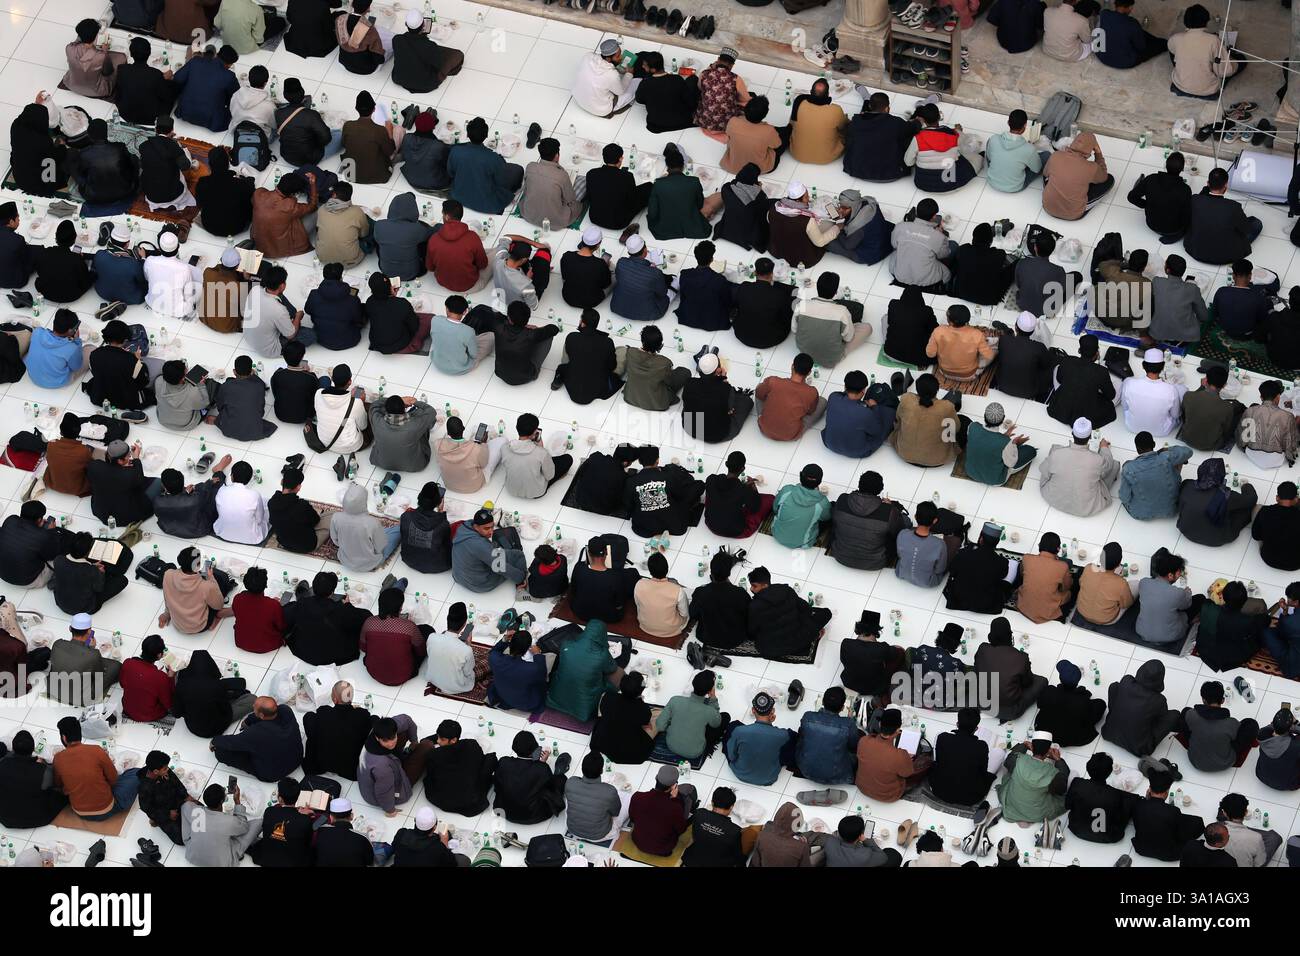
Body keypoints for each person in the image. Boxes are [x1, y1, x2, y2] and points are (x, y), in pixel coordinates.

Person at [52, 717, 142, 821]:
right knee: (137, 773)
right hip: (106, 809)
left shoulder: (58, 758)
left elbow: (58, 785)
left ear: (64, 737)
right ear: (80, 733)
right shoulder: (96, 751)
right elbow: (113, 779)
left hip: (79, 811)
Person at [1039, 417, 1121, 516]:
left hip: (1053, 498)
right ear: (1090, 436)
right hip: (1085, 508)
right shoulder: (1097, 460)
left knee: (1054, 449)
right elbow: (1108, 467)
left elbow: (1043, 469)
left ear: (1072, 433)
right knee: (1114, 465)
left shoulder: (1057, 453)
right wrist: (1104, 448)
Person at [747, 565, 829, 660]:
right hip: (799, 638)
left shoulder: (754, 606)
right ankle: (813, 635)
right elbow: (806, 608)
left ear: (765, 585)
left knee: (762, 644)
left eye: (754, 586)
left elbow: (752, 632)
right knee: (825, 613)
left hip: (773, 649)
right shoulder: (786, 590)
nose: (751, 589)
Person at [1102, 658, 1180, 757]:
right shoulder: (1159, 700)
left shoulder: (1127, 680)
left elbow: (1115, 688)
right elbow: (1162, 718)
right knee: (1174, 715)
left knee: (1114, 686)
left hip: (1109, 732)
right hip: (1139, 748)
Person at [212, 697, 303, 783]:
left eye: (254, 707)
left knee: (220, 752)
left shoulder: (257, 732)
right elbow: (261, 716)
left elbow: (233, 742)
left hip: (273, 774)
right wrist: (248, 720)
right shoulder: (286, 710)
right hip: (296, 758)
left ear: (261, 715)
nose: (252, 706)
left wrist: (215, 740)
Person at [446, 116, 524, 214]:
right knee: (517, 170)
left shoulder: (456, 150)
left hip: (458, 197)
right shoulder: (494, 158)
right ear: (486, 135)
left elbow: (451, 173)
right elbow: (501, 182)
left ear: (468, 134)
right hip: (487, 204)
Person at [1178, 679, 1259, 772]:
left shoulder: (1191, 714)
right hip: (1225, 762)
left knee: (1185, 711)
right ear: (1223, 700)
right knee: (1251, 724)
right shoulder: (1231, 723)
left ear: (1203, 700)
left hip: (1195, 761)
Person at [172, 648, 255, 738]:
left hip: (194, 727)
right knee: (252, 699)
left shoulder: (181, 685)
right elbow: (225, 708)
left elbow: (177, 713)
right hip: (218, 727)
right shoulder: (216, 685)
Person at [1185, 168, 1261, 265]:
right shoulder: (1233, 206)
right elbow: (1246, 229)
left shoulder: (1195, 199)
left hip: (1196, 250)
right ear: (1226, 185)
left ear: (1208, 183)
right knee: (1256, 223)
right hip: (1224, 256)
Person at [794, 272, 871, 367]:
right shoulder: (842, 311)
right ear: (835, 292)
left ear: (817, 288)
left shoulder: (801, 305)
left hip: (804, 352)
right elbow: (848, 338)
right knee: (867, 328)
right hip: (831, 358)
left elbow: (794, 330)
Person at [1176, 458, 1256, 547]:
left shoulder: (1187, 485)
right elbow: (1251, 499)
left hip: (1187, 531)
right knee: (1247, 510)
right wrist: (1246, 486)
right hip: (1217, 539)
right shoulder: (1226, 495)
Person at [494, 730, 570, 824]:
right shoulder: (542, 768)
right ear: (534, 748)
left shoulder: (503, 762)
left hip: (504, 811)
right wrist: (541, 764)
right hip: (534, 815)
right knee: (560, 780)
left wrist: (539, 765)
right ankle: (559, 772)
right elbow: (551, 788)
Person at [423, 719, 496, 817]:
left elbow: (430, 774)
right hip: (471, 802)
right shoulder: (471, 745)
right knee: (490, 759)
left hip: (442, 800)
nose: (438, 741)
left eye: (442, 739)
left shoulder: (434, 754)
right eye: (438, 737)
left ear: (453, 740)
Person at [905, 102, 982, 193]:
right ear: (939, 117)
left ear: (923, 121)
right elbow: (969, 146)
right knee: (978, 159)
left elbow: (908, 162)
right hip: (951, 183)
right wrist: (958, 131)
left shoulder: (918, 138)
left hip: (924, 184)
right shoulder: (953, 134)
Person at [1130, 767, 1203, 861]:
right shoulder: (1173, 811)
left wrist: (1146, 800)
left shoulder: (1138, 804)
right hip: (1168, 853)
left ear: (1150, 789)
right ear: (1166, 793)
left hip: (1141, 848)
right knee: (1198, 822)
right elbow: (1178, 831)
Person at [301, 682, 371, 780]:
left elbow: (309, 720)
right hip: (349, 767)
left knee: (309, 717)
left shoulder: (324, 713)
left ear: (334, 699)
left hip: (320, 762)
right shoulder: (362, 716)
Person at [1169, 4, 1241, 98]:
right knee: (1240, 59)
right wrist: (1233, 62)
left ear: (1185, 21)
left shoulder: (1175, 38)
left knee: (1173, 48)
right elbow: (1224, 72)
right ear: (1206, 21)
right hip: (1208, 91)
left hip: (1180, 86)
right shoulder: (1214, 40)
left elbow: (1172, 50)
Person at [47, 615, 121, 707]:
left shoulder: (57, 644)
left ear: (70, 628)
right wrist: (92, 649)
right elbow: (99, 675)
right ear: (89, 631)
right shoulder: (93, 654)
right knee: (116, 666)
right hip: (82, 699)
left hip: (53, 689)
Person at [0, 731, 68, 829]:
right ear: (33, 750)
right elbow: (53, 784)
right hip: (35, 818)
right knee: (61, 794)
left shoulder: (3, 764)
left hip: (4, 816)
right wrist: (41, 764)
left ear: (13, 749)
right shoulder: (43, 771)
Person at [997, 732, 1070, 824]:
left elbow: (1009, 760)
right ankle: (1027, 820)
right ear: (1048, 751)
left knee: (1009, 772)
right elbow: (1061, 789)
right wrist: (1058, 760)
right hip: (1036, 813)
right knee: (1070, 780)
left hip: (1012, 804)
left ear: (1032, 747)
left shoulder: (1018, 759)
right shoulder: (1053, 773)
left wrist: (1024, 745)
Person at [1118, 433, 1193, 523]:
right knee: (1179, 459)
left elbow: (1124, 497)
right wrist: (1165, 449)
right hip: (1172, 510)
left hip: (1141, 514)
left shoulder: (1128, 468)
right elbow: (1188, 451)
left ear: (1137, 449)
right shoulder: (1166, 457)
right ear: (1154, 444)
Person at [855, 708, 925, 802]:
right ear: (897, 730)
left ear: (880, 724)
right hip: (888, 796)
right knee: (925, 762)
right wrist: (905, 759)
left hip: (862, 787)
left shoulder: (864, 741)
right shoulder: (899, 755)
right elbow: (907, 773)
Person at [724, 692, 794, 786]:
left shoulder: (739, 731)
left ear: (753, 710)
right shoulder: (783, 735)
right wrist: (770, 725)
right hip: (768, 778)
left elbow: (732, 756)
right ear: (772, 711)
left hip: (740, 773)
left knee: (733, 725)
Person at [927, 707, 993, 806]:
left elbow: (938, 761)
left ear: (957, 724)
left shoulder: (942, 737)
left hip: (939, 790)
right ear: (976, 729)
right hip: (970, 798)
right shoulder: (982, 746)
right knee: (999, 753)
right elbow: (983, 771)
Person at [360, 590, 427, 686]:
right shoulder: (409, 626)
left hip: (374, 672)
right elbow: (421, 651)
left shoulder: (369, 622)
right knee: (426, 630)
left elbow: (363, 647)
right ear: (399, 608)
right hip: (403, 675)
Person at [795, 687, 860, 785]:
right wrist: (850, 721)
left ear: (822, 702)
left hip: (806, 770)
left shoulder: (808, 717)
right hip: (837, 776)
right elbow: (853, 746)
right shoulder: (848, 724)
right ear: (842, 708)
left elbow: (802, 735)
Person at [822, 372, 896, 459]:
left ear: (845, 386)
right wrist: (875, 407)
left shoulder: (833, 397)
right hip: (857, 452)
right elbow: (877, 431)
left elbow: (842, 396)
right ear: (863, 391)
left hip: (828, 443)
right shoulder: (866, 413)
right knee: (890, 414)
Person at [944, 522, 1014, 614]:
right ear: (997, 542)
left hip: (959, 598)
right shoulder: (1002, 562)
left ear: (981, 539)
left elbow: (952, 570)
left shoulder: (964, 553)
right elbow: (1003, 575)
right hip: (985, 603)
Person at [891, 373, 959, 468]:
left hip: (904, 454)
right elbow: (955, 429)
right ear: (937, 390)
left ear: (917, 390)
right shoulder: (946, 407)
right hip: (937, 459)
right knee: (963, 422)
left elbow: (898, 418)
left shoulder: (906, 399)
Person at [655, 670, 726, 761]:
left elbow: (660, 726)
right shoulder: (710, 711)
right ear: (709, 690)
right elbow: (716, 723)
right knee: (725, 717)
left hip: (671, 745)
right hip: (694, 752)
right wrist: (713, 698)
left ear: (693, 684)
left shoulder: (675, 700)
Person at [843, 91, 913, 182]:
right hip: (892, 173)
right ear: (887, 108)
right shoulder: (896, 122)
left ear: (870, 107)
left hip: (857, 170)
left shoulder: (857, 121)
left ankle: (866, 99)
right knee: (908, 136)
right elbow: (913, 129)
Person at [451, 508, 526, 593]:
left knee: (494, 550)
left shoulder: (463, 528)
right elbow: (500, 567)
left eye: (492, 526)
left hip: (458, 577)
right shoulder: (480, 546)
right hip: (479, 585)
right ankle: (522, 583)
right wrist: (520, 578)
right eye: (486, 529)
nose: (491, 532)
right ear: (476, 527)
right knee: (518, 555)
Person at [1065, 752, 1134, 843]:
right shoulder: (1115, 794)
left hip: (1076, 829)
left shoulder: (1077, 784)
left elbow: (1067, 805)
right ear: (1109, 773)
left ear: (1088, 768)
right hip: (1108, 836)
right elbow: (1119, 817)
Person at [629, 764, 697, 856]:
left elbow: (632, 818)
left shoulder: (637, 796)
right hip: (663, 848)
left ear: (656, 778)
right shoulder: (675, 807)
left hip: (638, 841)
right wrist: (676, 799)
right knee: (688, 789)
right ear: (674, 786)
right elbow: (681, 830)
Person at [159, 547, 230, 634]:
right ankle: (214, 620)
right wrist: (211, 578)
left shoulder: (168, 574)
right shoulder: (205, 586)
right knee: (221, 580)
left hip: (178, 623)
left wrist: (167, 614)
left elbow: (167, 598)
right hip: (199, 626)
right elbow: (218, 605)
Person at [1043, 131, 1112, 220]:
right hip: (1073, 213)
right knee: (1109, 180)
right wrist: (1098, 153)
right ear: (1090, 149)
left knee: (1051, 172)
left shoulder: (1056, 155)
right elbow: (1104, 177)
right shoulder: (1091, 167)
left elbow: (1045, 174)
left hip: (1048, 207)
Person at [1036, 659, 1107, 747]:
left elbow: (1039, 704)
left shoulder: (1049, 691)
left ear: (1060, 678)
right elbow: (1089, 718)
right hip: (1073, 737)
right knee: (1101, 703)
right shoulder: (1083, 701)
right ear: (1078, 680)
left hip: (1046, 733)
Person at [501, 412, 571, 499]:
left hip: (511, 489)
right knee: (567, 459)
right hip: (536, 492)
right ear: (534, 433)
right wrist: (541, 449)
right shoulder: (541, 453)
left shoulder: (504, 448)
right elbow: (550, 476)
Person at [756, 353, 825, 442]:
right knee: (823, 402)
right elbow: (810, 411)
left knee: (760, 388)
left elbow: (759, 394)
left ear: (792, 366)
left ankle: (763, 417)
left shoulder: (773, 381)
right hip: (790, 435)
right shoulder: (812, 392)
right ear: (809, 373)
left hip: (764, 429)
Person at [195, 155, 254, 258]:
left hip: (209, 224)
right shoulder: (239, 184)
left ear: (210, 165)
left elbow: (200, 204)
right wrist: (250, 180)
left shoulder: (203, 182)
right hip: (237, 226)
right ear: (228, 164)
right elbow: (250, 190)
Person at [252, 170, 320, 260]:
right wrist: (313, 184)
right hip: (280, 247)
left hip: (259, 242)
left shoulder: (258, 194)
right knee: (317, 212)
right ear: (293, 194)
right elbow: (312, 206)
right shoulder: (290, 206)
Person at [966, 402, 1037, 488]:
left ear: (984, 415)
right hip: (995, 480)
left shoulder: (972, 426)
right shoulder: (1006, 442)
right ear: (1002, 419)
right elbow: (1011, 463)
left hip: (970, 472)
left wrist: (1004, 438)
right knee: (1031, 451)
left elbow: (983, 441)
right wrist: (1015, 445)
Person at [564, 751, 629, 846]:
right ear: (602, 771)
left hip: (573, 830)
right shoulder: (610, 791)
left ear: (582, 769)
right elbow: (615, 813)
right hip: (600, 836)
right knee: (628, 798)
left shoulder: (570, 782)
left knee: (570, 799)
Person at [592, 672, 656, 765]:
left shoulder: (607, 697)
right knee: (656, 718)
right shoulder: (643, 709)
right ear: (640, 692)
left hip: (604, 743)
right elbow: (645, 722)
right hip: (628, 751)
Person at [70, 118, 139, 204]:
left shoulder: (83, 154)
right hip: (126, 191)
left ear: (89, 135)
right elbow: (135, 164)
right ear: (107, 133)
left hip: (95, 196)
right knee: (131, 161)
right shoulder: (120, 147)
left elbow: (79, 174)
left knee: (73, 165)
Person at [519, 137, 583, 230]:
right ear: (557, 155)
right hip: (554, 220)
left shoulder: (530, 167)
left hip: (529, 214)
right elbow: (570, 199)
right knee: (577, 203)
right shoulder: (562, 175)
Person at [890, 198, 954, 290]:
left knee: (897, 252)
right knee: (953, 247)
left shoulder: (900, 226)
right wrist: (939, 235)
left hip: (900, 275)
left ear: (916, 212)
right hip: (926, 280)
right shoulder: (938, 236)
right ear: (934, 216)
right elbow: (943, 255)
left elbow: (894, 245)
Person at [172, 44, 240, 131]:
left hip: (185, 111)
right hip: (212, 120)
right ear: (229, 64)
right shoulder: (229, 76)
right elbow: (236, 96)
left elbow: (177, 78)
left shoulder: (195, 61)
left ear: (217, 54)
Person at [86, 439, 155, 524]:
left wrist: (122, 468)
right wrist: (136, 458)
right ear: (120, 461)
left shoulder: (94, 465)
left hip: (101, 511)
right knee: (157, 483)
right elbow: (139, 478)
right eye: (128, 455)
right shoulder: (129, 475)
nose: (130, 456)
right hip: (124, 517)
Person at [1119, 348, 1185, 436]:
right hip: (1161, 431)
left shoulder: (1129, 383)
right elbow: (1175, 415)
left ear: (1143, 366)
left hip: (1132, 426)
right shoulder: (1171, 390)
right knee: (1182, 389)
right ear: (1162, 366)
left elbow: (1125, 407)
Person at [392, 10, 463, 91]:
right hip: (426, 83)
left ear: (406, 24)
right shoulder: (430, 46)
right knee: (457, 55)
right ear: (423, 26)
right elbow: (438, 65)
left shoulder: (397, 39)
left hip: (399, 78)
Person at [585, 143, 651, 231]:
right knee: (649, 187)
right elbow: (632, 200)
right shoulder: (627, 176)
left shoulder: (591, 173)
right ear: (620, 158)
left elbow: (589, 196)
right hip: (618, 222)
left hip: (595, 217)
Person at [8, 105, 68, 200]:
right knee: (59, 160)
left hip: (19, 177)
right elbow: (57, 157)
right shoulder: (43, 142)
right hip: (38, 183)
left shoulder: (16, 126)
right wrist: (61, 146)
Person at [1129, 154, 1193, 244]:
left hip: (1151, 224)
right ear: (1182, 169)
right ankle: (1177, 236)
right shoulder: (1185, 190)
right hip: (1173, 230)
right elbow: (1186, 215)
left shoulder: (1151, 179)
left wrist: (1147, 204)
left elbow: (1131, 197)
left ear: (1166, 165)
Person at [374, 195, 436, 285]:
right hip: (411, 273)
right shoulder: (416, 229)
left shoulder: (379, 225)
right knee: (424, 242)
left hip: (386, 271)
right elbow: (431, 233)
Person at [0, 502, 63, 588]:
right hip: (27, 581)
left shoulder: (11, 519)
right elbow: (52, 554)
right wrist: (51, 532)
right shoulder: (43, 536)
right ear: (38, 520)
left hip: (2, 574)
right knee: (57, 560)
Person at [1241, 381, 1300, 473]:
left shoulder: (1250, 410)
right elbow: (1292, 443)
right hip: (1276, 460)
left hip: (1251, 453)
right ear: (1278, 397)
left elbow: (1242, 437)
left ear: (1261, 397)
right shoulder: (1287, 416)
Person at [950, 223, 1015, 306]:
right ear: (991, 241)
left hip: (961, 294)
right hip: (989, 299)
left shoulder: (963, 249)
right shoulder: (998, 255)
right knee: (1012, 267)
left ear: (973, 238)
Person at [1016, 232, 1077, 320]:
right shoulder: (1058, 270)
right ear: (1052, 250)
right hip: (1047, 310)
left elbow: (1018, 284)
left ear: (1035, 248)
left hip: (1023, 304)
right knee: (1076, 276)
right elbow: (1060, 291)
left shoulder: (1022, 263)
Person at [681, 787, 748, 867]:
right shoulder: (734, 831)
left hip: (691, 860)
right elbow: (738, 856)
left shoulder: (699, 813)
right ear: (731, 807)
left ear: (712, 802)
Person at [634, 50, 698, 132]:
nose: (642, 66)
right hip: (682, 120)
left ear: (653, 69)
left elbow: (639, 100)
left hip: (657, 124)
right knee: (693, 79)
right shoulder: (677, 79)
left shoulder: (645, 83)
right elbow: (690, 102)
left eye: (645, 65)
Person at [985, 109, 1048, 193]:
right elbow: (1037, 169)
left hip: (992, 181)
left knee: (990, 144)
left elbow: (989, 157)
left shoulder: (994, 138)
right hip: (1014, 187)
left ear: (1008, 123)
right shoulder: (1029, 149)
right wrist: (1030, 151)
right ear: (1025, 125)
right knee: (1046, 155)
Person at [368, 395, 436, 472]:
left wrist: (396, 400)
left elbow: (374, 405)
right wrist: (414, 402)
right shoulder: (414, 425)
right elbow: (431, 411)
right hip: (414, 465)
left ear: (387, 409)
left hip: (381, 462)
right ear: (404, 408)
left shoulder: (377, 421)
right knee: (422, 416)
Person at [788, 77, 847, 164]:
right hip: (827, 157)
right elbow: (844, 127)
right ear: (827, 94)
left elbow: (792, 123)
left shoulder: (799, 102)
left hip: (797, 154)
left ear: (811, 92)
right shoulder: (835, 110)